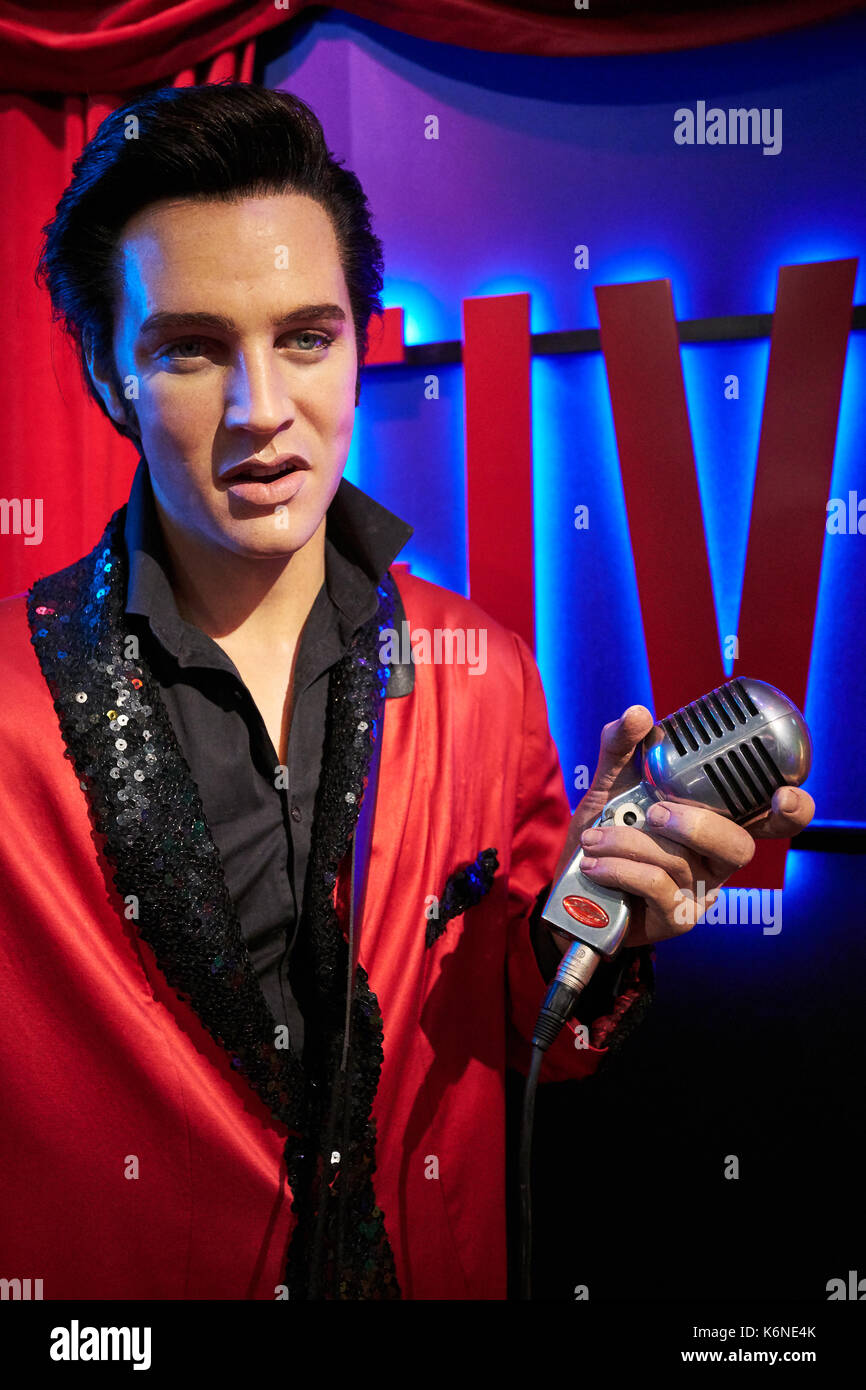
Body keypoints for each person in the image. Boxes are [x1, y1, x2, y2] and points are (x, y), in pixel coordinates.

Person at [0, 83, 814, 1301]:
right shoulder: (13, 707)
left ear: (359, 342)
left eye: (305, 337)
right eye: (189, 348)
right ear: (110, 376)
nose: (260, 410)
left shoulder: (478, 665)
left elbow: (520, 1035)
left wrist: (591, 928)